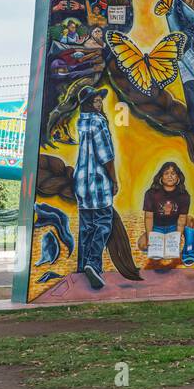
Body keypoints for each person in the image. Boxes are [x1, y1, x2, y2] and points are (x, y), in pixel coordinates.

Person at [73, 86, 118, 290]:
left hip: (81, 182)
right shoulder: (98, 122)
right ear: (90, 104)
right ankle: (93, 263)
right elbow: (106, 154)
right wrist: (114, 179)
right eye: (97, 101)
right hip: (98, 182)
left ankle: (82, 268)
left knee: (86, 227)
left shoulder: (80, 122)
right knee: (104, 223)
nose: (100, 104)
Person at [138, 161, 191, 270]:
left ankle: (189, 249)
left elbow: (181, 219)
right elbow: (148, 217)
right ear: (161, 177)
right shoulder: (151, 193)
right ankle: (160, 246)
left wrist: (178, 237)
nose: (170, 176)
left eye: (173, 173)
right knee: (142, 244)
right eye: (166, 173)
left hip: (174, 227)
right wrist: (150, 237)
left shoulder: (184, 195)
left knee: (190, 220)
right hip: (157, 228)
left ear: (178, 177)